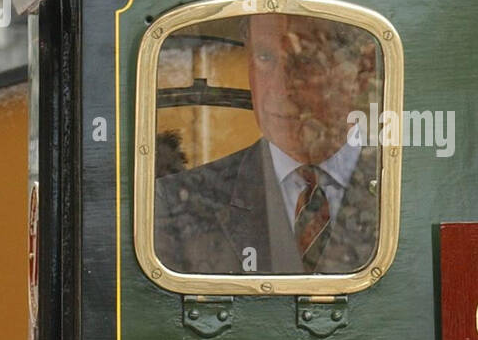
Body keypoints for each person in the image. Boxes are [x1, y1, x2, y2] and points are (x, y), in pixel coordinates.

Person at [155, 14, 380, 275]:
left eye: (305, 61)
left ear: (363, 70)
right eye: (264, 58)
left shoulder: (412, 196)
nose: (279, 89)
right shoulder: (174, 203)